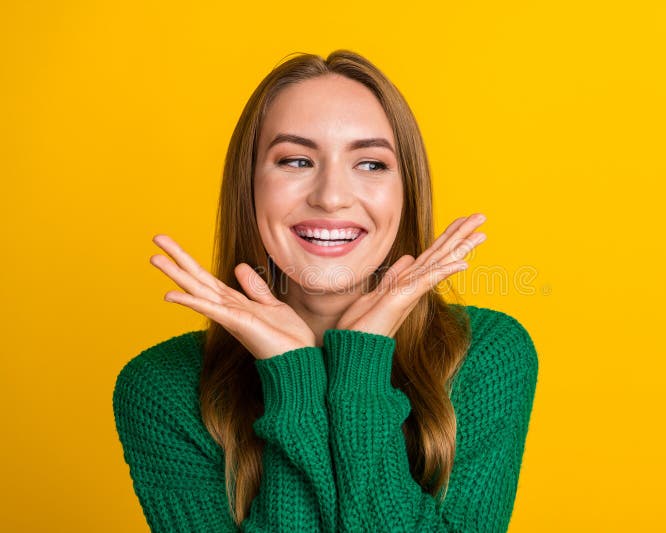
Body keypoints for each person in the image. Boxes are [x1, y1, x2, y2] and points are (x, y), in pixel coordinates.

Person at [113, 49, 539, 533]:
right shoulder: (162, 390)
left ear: (407, 191)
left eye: (371, 164)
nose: (331, 197)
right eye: (296, 161)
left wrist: (360, 369)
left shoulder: (483, 355)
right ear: (248, 187)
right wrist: (291, 378)